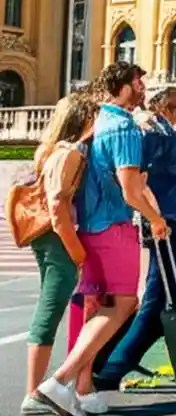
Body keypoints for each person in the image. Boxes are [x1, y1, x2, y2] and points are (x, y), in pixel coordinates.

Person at [33, 62, 169, 416]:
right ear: (122, 86)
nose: (143, 88)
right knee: (123, 304)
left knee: (99, 306)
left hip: (91, 229)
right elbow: (129, 190)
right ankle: (59, 381)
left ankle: (81, 388)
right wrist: (156, 220)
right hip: (114, 227)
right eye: (139, 82)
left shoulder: (98, 123)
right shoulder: (124, 127)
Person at [94, 87, 176, 391]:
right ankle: (111, 365)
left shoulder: (160, 127)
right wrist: (154, 216)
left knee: (165, 299)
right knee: (159, 302)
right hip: (168, 223)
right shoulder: (150, 128)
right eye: (174, 106)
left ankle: (105, 358)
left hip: (174, 219)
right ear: (159, 105)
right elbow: (138, 178)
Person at [12, 94, 97, 415]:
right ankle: (33, 395)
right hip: (58, 238)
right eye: (93, 116)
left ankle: (36, 392)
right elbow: (59, 207)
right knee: (48, 312)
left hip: (45, 237)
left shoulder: (46, 150)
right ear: (82, 120)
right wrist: (78, 254)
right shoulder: (69, 153)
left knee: (48, 309)